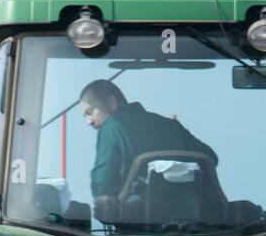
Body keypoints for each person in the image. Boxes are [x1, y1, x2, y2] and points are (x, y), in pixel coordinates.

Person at [79, 80, 218, 198]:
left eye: (90, 112)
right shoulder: (171, 125)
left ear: (111, 103)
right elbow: (210, 158)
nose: (88, 122)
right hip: (191, 222)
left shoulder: (111, 127)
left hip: (137, 224)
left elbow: (103, 187)